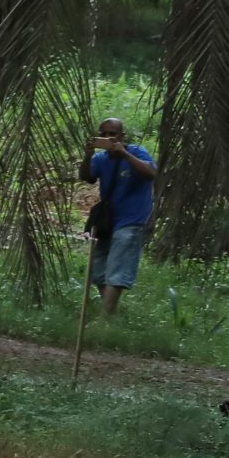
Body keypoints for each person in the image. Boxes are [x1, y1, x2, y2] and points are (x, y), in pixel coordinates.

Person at [79, 116, 157, 318]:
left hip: (132, 220)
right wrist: (87, 155)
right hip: (108, 221)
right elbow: (86, 177)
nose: (107, 138)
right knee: (97, 270)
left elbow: (151, 173)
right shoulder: (101, 159)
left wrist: (124, 154)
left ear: (122, 136)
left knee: (117, 269)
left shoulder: (136, 152)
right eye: (103, 134)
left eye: (112, 134)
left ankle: (104, 319)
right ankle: (110, 314)